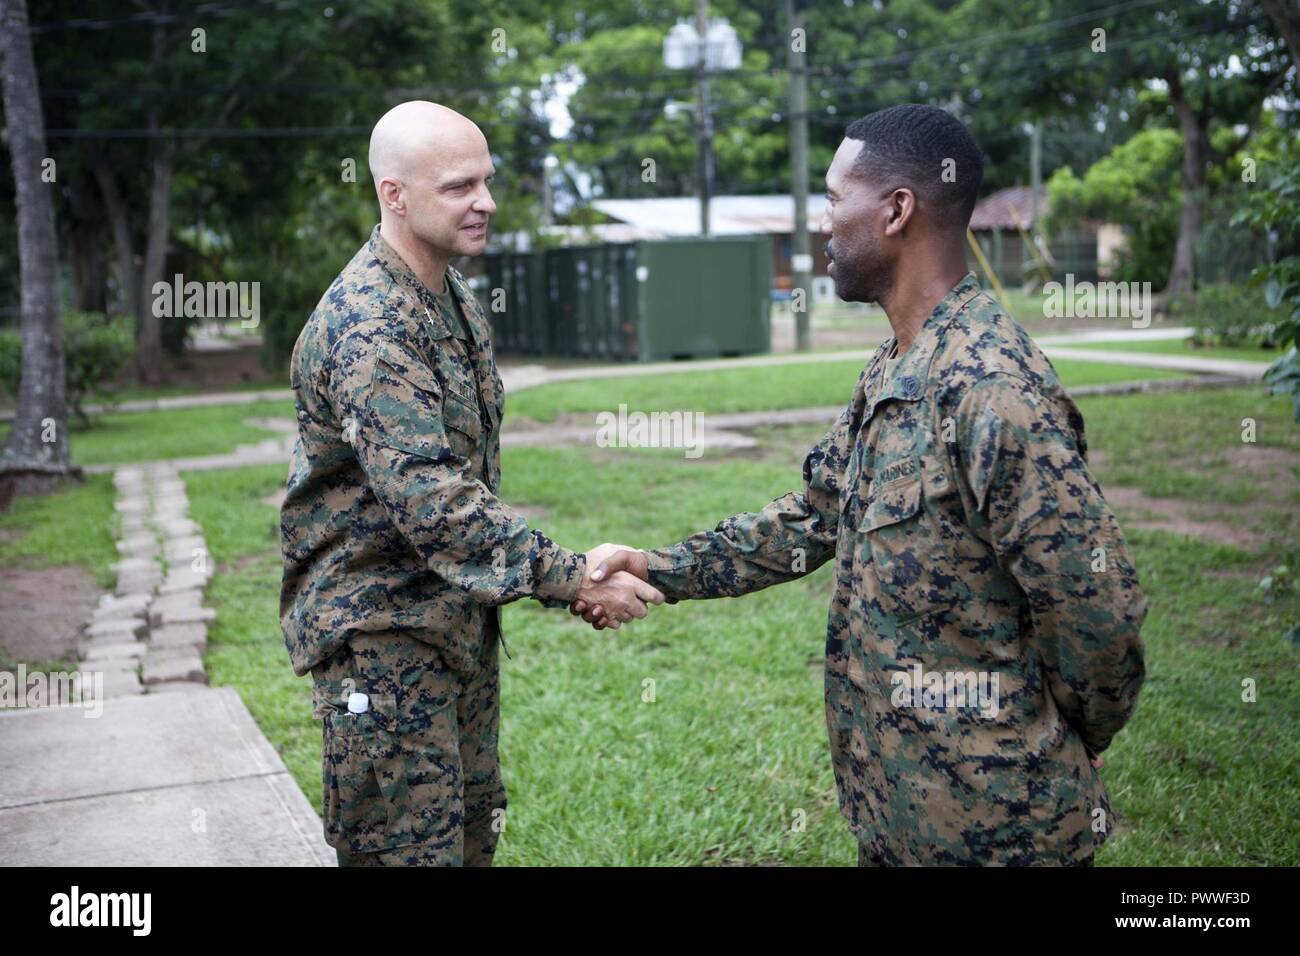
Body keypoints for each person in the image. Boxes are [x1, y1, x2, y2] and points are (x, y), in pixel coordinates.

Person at [574, 104, 1146, 866]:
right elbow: (810, 518)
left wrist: (1076, 734)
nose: (823, 223)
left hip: (997, 828)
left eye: (835, 199)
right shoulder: (897, 366)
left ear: (897, 211)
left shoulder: (990, 388)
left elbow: (1095, 606)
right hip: (899, 815)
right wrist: (658, 567)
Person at [280, 101, 662, 867]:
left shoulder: (449, 298)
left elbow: (463, 482)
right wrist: (573, 575)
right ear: (395, 195)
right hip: (382, 642)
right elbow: (432, 498)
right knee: (407, 853)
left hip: (454, 623)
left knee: (469, 830)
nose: (485, 202)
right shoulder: (370, 326)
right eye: (459, 187)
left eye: (486, 181)